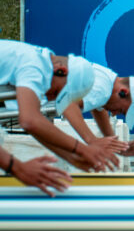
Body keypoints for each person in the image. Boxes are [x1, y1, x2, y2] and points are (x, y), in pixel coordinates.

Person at [0, 39, 120, 173]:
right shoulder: (34, 66)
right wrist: (82, 148)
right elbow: (30, 121)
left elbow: (35, 125)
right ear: (61, 70)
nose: (50, 98)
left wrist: (70, 157)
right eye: (56, 92)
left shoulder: (43, 66)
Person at [64, 63, 134, 157]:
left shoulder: (106, 80)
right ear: (123, 92)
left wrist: (116, 145)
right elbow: (67, 104)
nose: (114, 114)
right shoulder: (101, 89)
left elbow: (97, 105)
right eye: (120, 110)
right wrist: (92, 140)